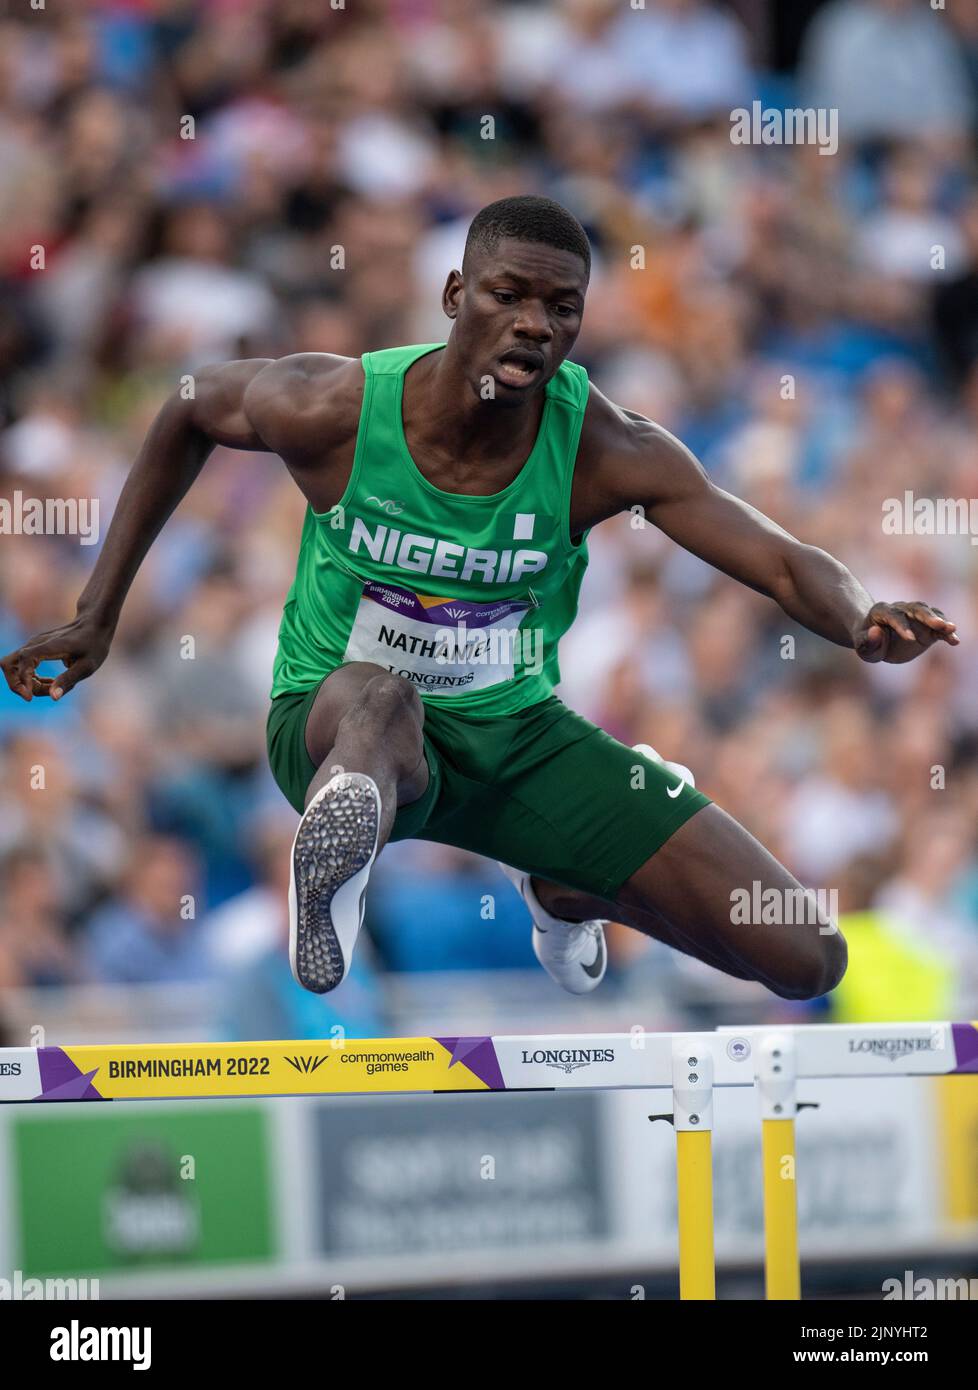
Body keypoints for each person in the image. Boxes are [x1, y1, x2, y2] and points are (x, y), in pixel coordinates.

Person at [3, 197, 958, 1004]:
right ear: (456, 295)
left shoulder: (604, 449)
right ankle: (336, 876)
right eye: (508, 296)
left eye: (562, 308)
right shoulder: (336, 407)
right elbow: (185, 405)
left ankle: (566, 889)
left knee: (805, 953)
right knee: (383, 694)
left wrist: (861, 617)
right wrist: (99, 610)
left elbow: (784, 560)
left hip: (517, 742)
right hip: (339, 732)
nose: (534, 324)